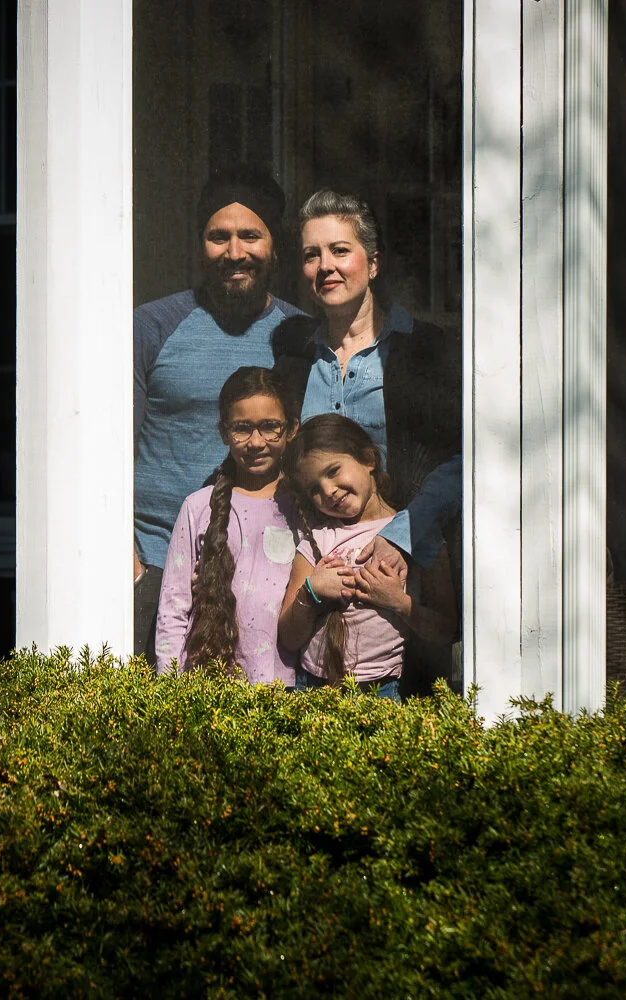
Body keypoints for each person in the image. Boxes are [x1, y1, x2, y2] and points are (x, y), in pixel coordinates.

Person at [272, 189, 463, 691]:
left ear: (373, 263)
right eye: (312, 254)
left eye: (340, 250)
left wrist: (404, 533)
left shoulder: (424, 351)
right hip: (317, 580)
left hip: (407, 572)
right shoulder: (294, 361)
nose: (325, 266)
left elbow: (465, 458)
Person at [133, 166, 305, 659]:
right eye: (218, 237)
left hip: (264, 572)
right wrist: (131, 565)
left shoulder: (298, 335)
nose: (234, 252)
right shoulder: (152, 326)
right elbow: (105, 448)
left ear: (274, 245)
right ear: (200, 245)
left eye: (250, 235)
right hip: (157, 564)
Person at [278, 414, 456, 700]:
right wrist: (310, 592)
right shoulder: (318, 539)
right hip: (311, 689)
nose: (328, 491)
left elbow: (445, 630)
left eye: (333, 471)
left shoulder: (417, 533)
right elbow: (289, 638)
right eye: (314, 489)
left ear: (368, 458)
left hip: (380, 691)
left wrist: (398, 602)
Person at [154, 367, 301, 685]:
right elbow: (173, 606)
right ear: (224, 432)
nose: (256, 442)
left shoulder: (305, 508)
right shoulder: (198, 507)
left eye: (270, 427)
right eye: (242, 429)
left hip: (286, 686)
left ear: (291, 429)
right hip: (209, 683)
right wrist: (169, 689)